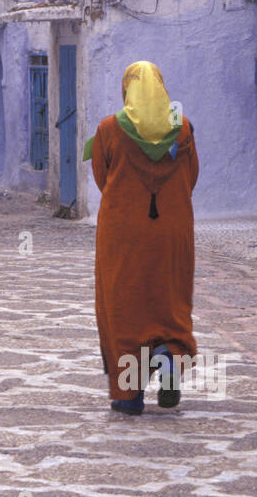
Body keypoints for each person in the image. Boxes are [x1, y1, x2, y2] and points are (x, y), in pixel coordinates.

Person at [84, 62, 199, 415]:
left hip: (122, 233)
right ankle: (168, 355)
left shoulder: (108, 129)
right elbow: (191, 178)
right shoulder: (183, 129)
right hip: (172, 232)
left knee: (123, 305)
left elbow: (103, 179)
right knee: (169, 301)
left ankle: (129, 394)